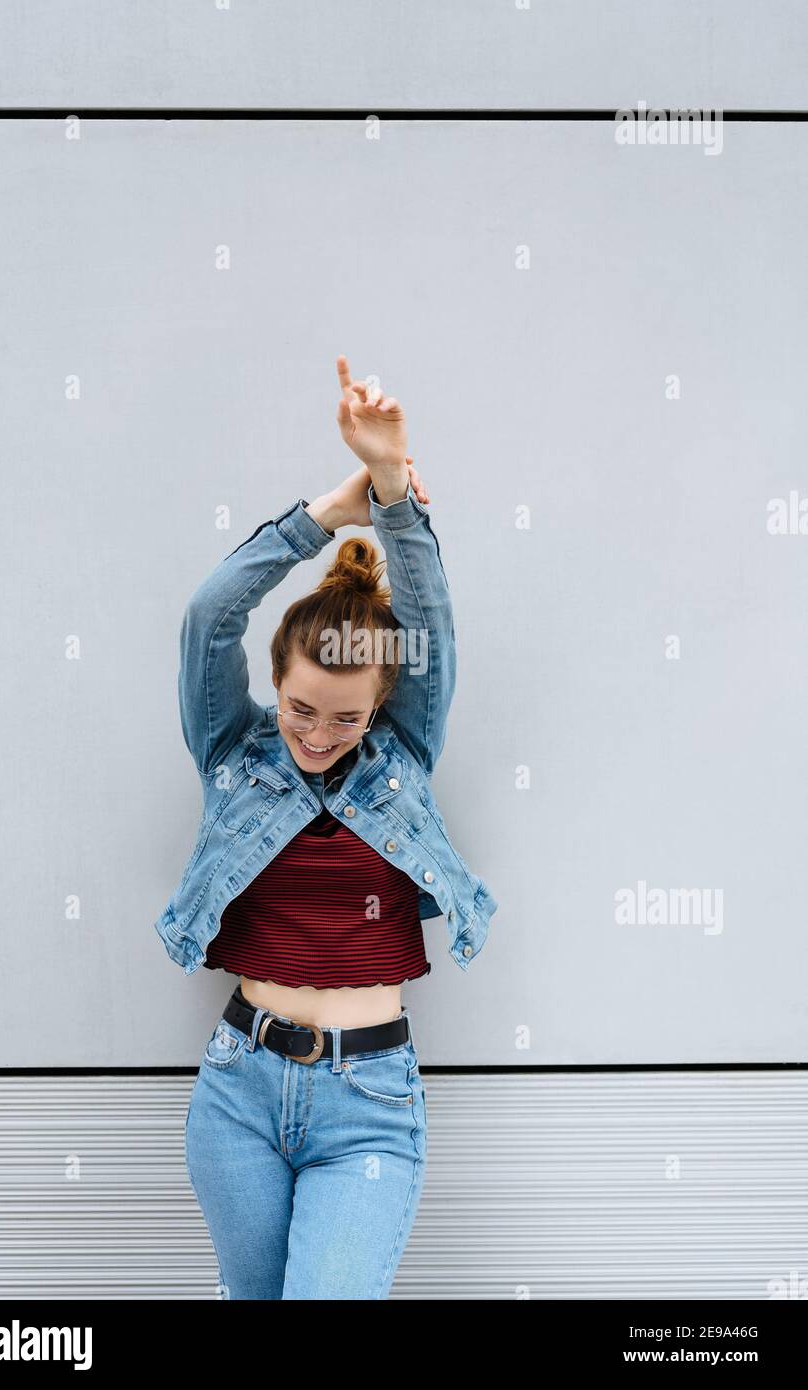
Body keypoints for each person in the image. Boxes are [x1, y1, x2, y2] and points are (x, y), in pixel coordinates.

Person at [158, 355, 498, 1298]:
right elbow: (204, 619)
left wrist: (394, 489)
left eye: (345, 717)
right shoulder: (234, 750)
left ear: (382, 705)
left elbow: (432, 615)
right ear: (276, 685)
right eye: (301, 709)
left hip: (369, 1101)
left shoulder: (403, 757)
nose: (317, 735)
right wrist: (319, 518)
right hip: (238, 1091)